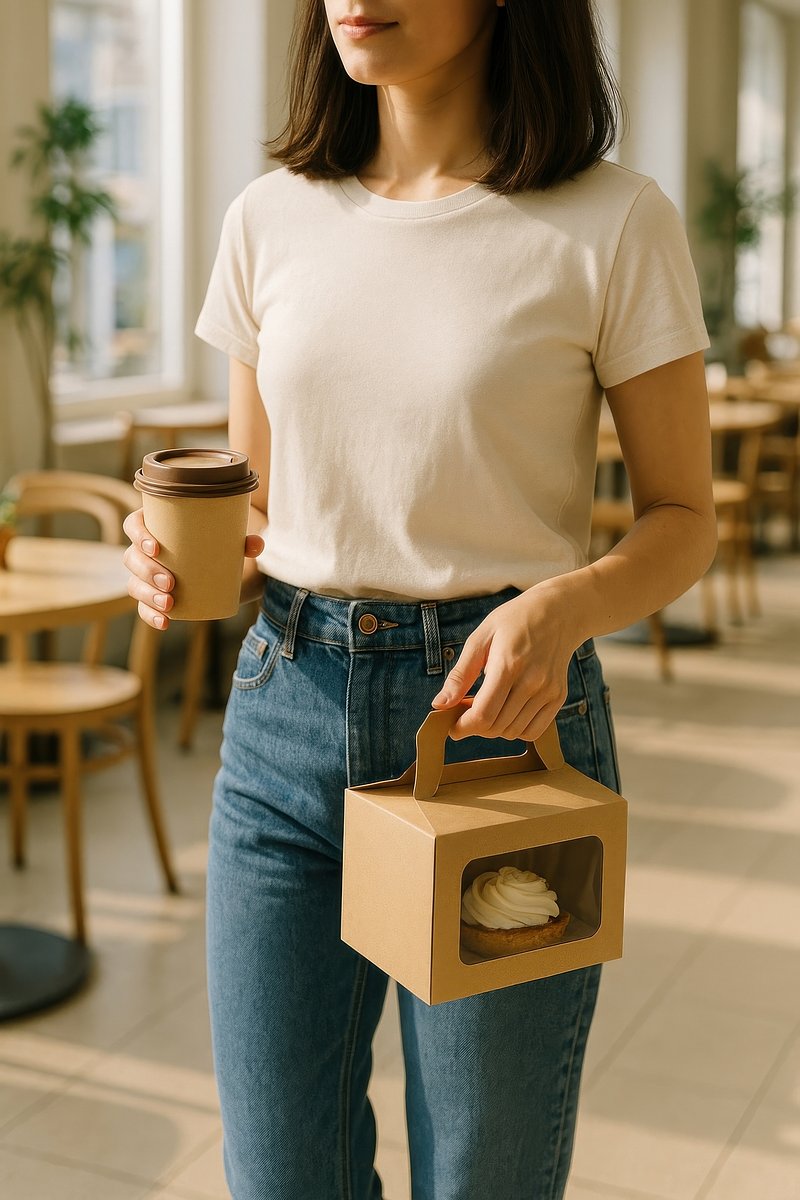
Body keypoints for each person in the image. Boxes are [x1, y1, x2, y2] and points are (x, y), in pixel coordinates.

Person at [122, 2, 717, 1196]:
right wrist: (176, 543)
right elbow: (260, 502)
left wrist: (562, 607)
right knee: (281, 1176)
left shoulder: (609, 221)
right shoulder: (269, 216)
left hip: (499, 733)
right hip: (283, 717)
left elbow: (681, 520)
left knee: (482, 1179)